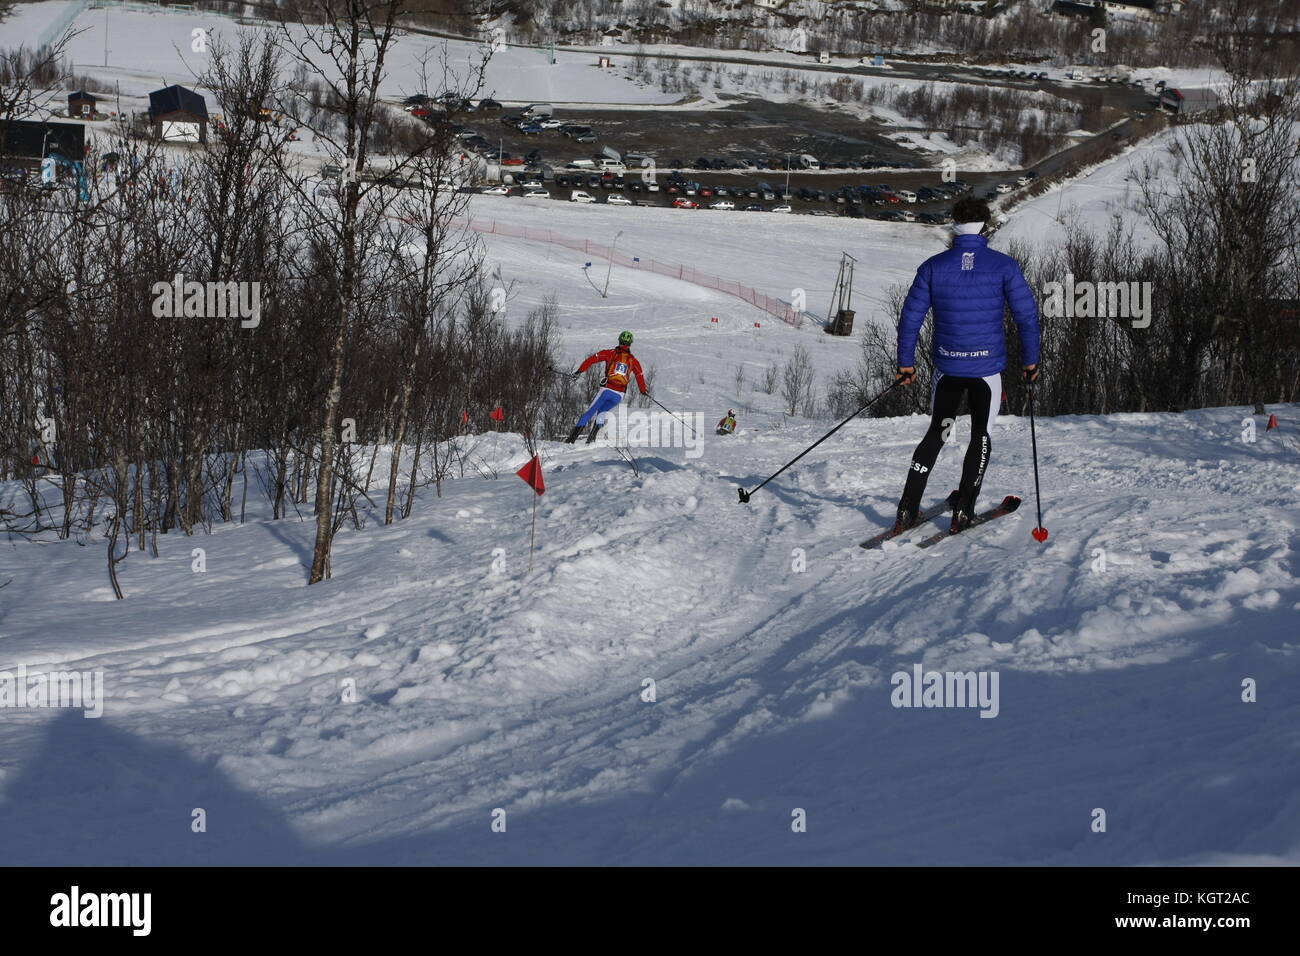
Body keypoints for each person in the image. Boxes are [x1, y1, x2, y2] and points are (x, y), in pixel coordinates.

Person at [893, 196, 1040, 534]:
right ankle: (964, 511)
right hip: (986, 372)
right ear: (985, 225)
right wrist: (1031, 360)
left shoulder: (933, 267)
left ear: (954, 223)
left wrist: (906, 363)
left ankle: (906, 508)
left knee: (938, 432)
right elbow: (1027, 317)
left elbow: (910, 319)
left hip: (948, 369)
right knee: (980, 435)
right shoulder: (1004, 266)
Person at [565, 331, 649, 444]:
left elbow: (591, 360)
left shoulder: (609, 353)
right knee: (602, 412)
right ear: (630, 344)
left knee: (590, 412)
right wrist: (643, 391)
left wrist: (579, 371)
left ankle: (571, 440)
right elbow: (639, 376)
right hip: (619, 395)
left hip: (607, 390)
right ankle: (591, 440)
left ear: (619, 341)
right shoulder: (633, 361)